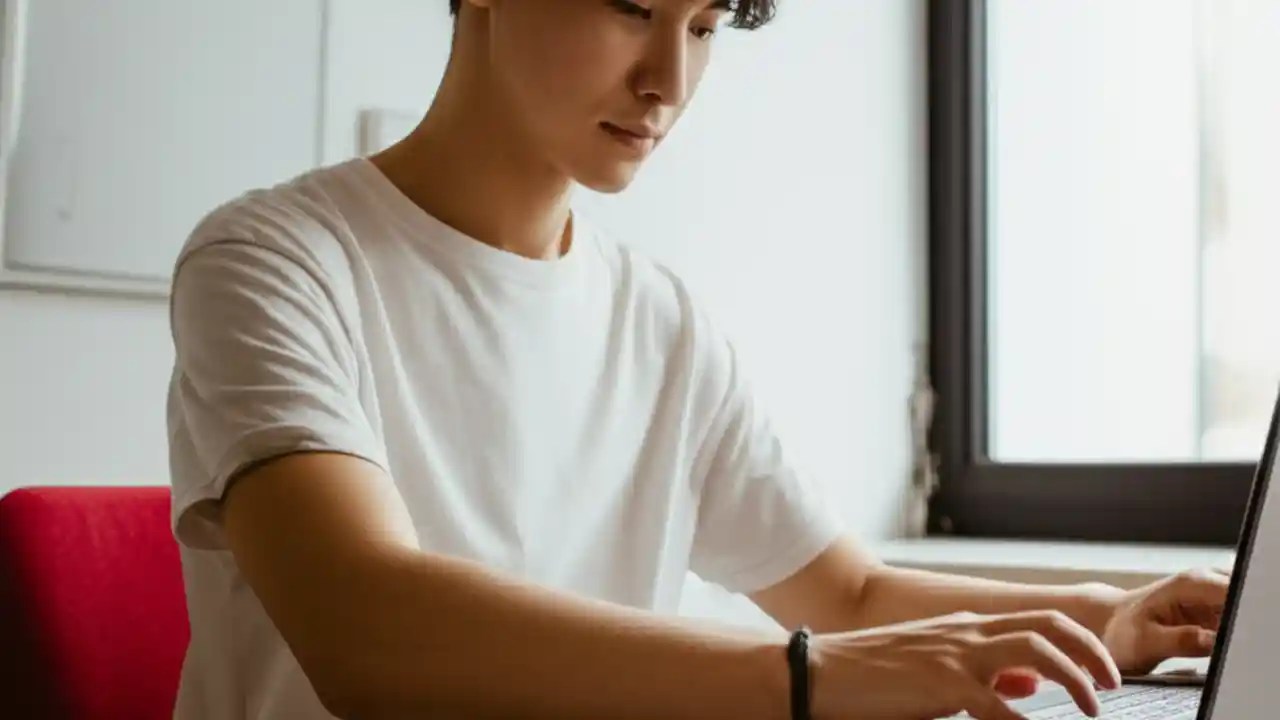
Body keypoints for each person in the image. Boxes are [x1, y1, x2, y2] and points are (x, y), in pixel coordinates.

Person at [165, 1, 1228, 718]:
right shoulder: (274, 259)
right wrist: (806, 681)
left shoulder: (659, 319)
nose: (667, 79)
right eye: (632, 5)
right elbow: (365, 626)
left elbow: (844, 593)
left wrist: (1105, 617)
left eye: (705, 23)